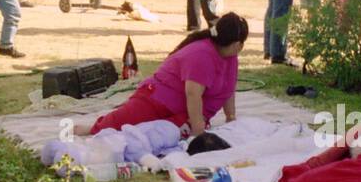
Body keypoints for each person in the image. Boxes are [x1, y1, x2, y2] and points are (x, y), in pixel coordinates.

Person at [89, 12, 249, 137]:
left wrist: (231, 118)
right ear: (237, 44)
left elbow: (228, 89)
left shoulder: (230, 57)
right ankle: (73, 130)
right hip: (156, 100)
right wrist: (198, 130)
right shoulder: (202, 54)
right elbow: (193, 94)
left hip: (185, 114)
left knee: (153, 136)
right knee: (110, 128)